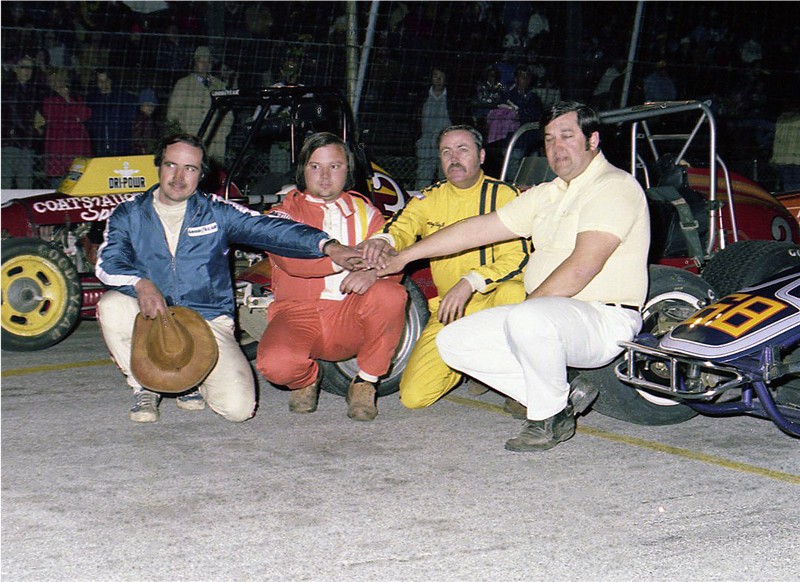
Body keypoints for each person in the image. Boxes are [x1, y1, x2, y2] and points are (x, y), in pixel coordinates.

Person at [371, 102, 650, 452]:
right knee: (453, 341)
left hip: (602, 317)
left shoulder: (613, 186)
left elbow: (583, 266)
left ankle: (546, 419)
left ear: (592, 140)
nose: (556, 148)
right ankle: (563, 398)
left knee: (525, 316)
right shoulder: (548, 194)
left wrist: (522, 315)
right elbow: (478, 229)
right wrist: (404, 256)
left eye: (567, 136)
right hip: (551, 315)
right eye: (549, 140)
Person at [95, 133, 363, 424]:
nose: (178, 176)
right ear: (159, 166)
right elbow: (107, 262)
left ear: (201, 175)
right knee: (112, 304)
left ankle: (189, 383)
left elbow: (271, 228)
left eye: (190, 169)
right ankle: (145, 385)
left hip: (207, 319)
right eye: (171, 165)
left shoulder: (217, 212)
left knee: (239, 410)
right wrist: (140, 284)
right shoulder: (129, 212)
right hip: (151, 314)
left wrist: (326, 245)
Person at [360, 125, 528, 409]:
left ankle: (520, 377)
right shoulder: (430, 198)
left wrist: (471, 282)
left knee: (516, 294)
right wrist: (383, 240)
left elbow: (518, 258)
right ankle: (476, 363)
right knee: (414, 397)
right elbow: (402, 226)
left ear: (482, 156)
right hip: (451, 307)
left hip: (492, 298)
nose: (454, 158)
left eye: (463, 149)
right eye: (446, 152)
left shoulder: (505, 196)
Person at [256, 133, 408, 421]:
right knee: (276, 366)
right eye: (315, 167)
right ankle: (307, 379)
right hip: (297, 313)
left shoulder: (368, 213)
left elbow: (393, 261)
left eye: (334, 166)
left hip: (349, 314)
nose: (325, 177)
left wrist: (374, 273)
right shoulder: (281, 213)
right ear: (302, 170)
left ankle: (365, 382)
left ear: (347, 170)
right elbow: (291, 259)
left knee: (390, 294)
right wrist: (346, 261)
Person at [166, 46, 232, 163]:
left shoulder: (220, 85)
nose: (205, 64)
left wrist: (221, 134)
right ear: (195, 63)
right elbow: (172, 115)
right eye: (201, 61)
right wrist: (184, 138)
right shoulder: (183, 84)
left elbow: (228, 115)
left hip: (215, 144)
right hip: (191, 142)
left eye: (208, 61)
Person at [41, 68, 92, 189]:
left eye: (57, 78)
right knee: (60, 187)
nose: (55, 82)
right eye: (51, 80)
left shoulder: (76, 97)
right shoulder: (48, 99)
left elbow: (87, 113)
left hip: (79, 148)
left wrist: (70, 108)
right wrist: (75, 118)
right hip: (59, 150)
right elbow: (56, 117)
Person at [2, 54, 43, 189]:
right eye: (23, 67)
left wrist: (37, 130)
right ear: (15, 69)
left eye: (30, 68)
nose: (27, 71)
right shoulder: (6, 88)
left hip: (27, 142)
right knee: (5, 183)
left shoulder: (34, 90)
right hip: (10, 142)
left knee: (25, 183)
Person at [414, 66, 452, 190]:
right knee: (423, 180)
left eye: (442, 77)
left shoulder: (452, 99)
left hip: (447, 145)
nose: (438, 79)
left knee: (446, 179)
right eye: (436, 76)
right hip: (425, 144)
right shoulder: (422, 97)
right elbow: (414, 120)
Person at [85, 69, 138, 156]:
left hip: (121, 147)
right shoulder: (91, 100)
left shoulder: (123, 98)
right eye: (100, 81)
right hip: (99, 147)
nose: (104, 83)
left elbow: (131, 118)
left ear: (111, 80)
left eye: (106, 80)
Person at [131, 88, 160, 155]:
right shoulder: (140, 119)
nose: (150, 107)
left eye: (152, 105)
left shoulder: (150, 119)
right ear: (141, 105)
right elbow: (137, 138)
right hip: (140, 153)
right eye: (147, 104)